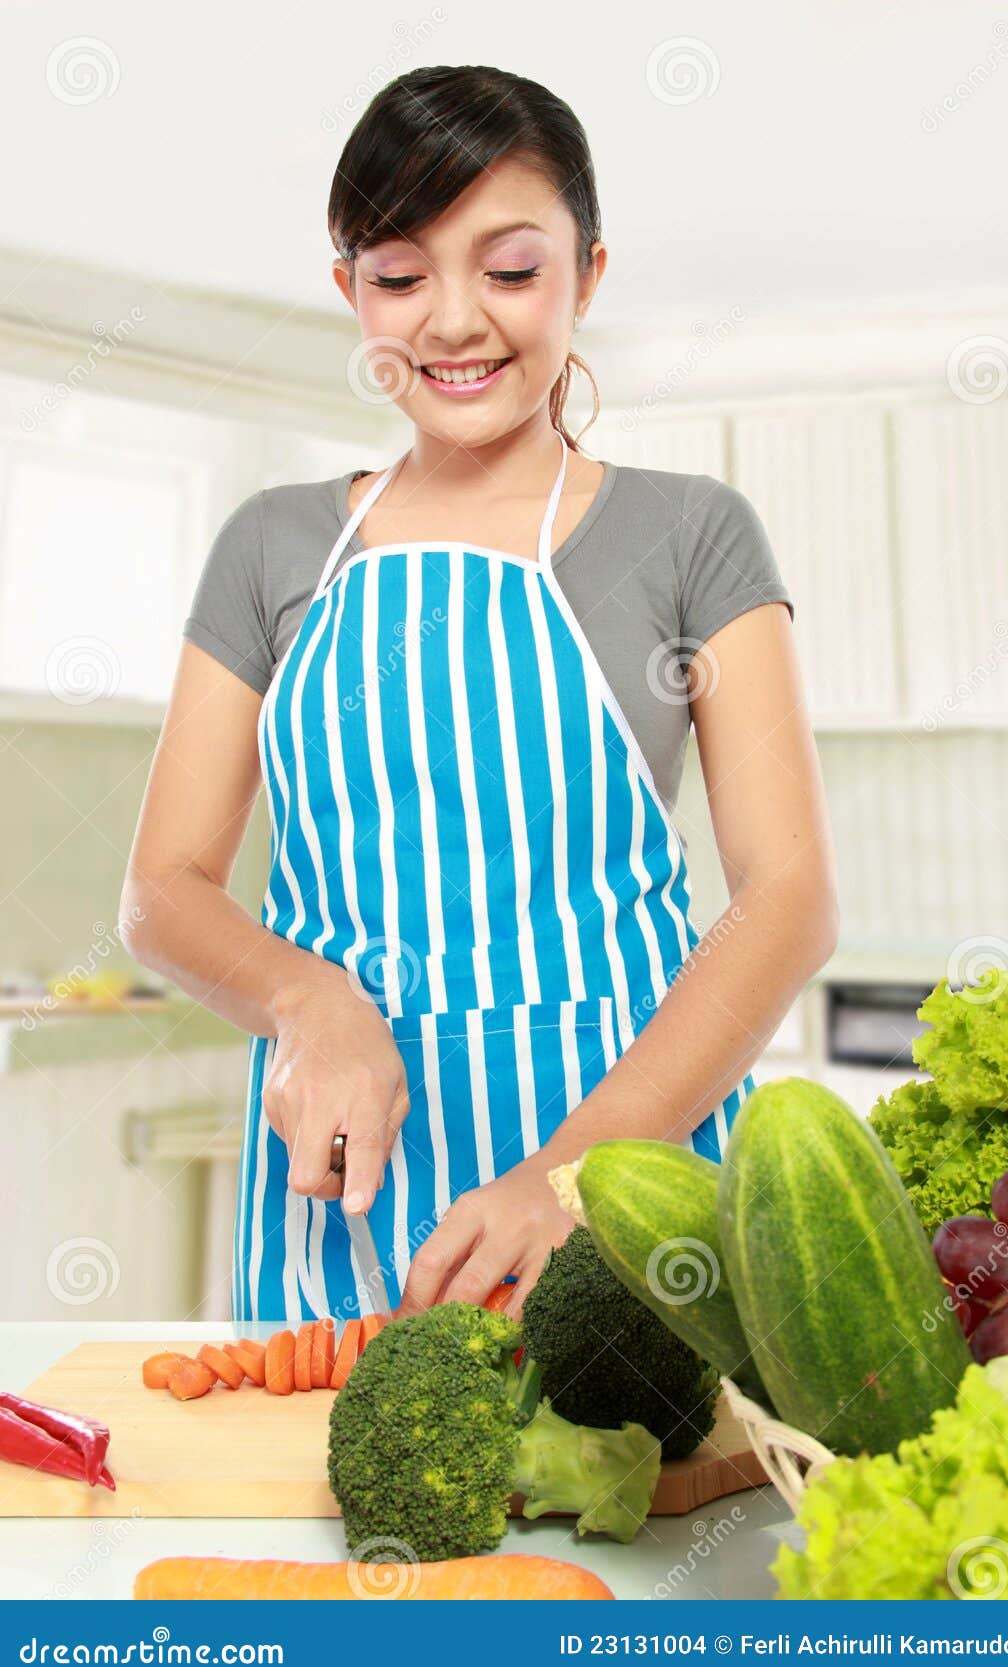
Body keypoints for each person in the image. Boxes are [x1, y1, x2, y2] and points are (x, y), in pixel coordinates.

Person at [120, 64, 838, 1326]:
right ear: (351, 293)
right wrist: (307, 999)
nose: (453, 321)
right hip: (340, 1205)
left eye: (509, 269)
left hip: (626, 1187)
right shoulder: (273, 547)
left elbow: (787, 898)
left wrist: (575, 1173)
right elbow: (161, 890)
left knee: (642, 1506)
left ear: (588, 275)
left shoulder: (688, 535)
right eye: (400, 276)